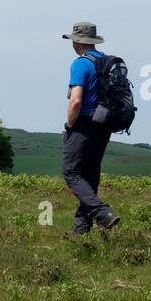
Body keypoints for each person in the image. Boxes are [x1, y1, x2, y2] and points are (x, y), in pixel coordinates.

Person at [61, 22, 120, 233]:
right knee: (90, 175)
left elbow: (75, 100)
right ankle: (81, 229)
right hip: (104, 125)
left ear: (77, 42)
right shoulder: (105, 62)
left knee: (72, 173)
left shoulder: (81, 64)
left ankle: (103, 213)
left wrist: (70, 125)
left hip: (84, 124)